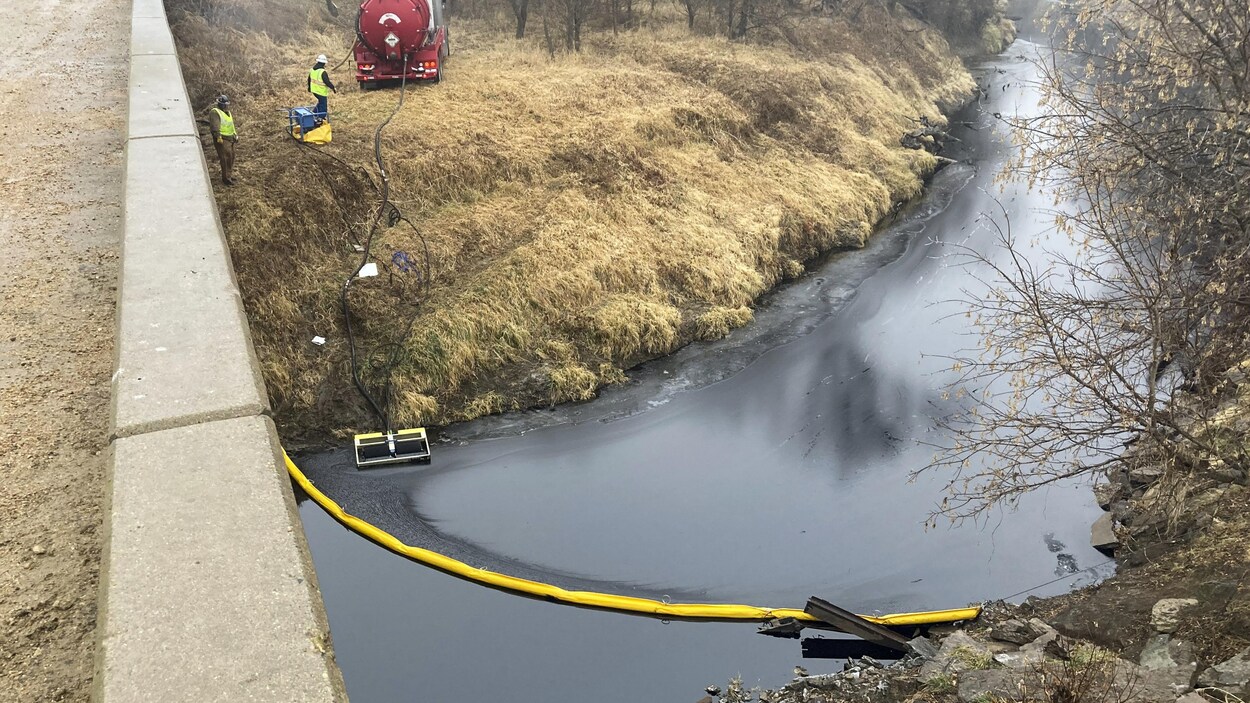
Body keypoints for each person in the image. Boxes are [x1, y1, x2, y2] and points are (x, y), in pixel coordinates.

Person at [207, 95, 237, 185]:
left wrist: (235, 134)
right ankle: (226, 179)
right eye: (224, 104)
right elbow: (215, 126)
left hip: (230, 138)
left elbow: (231, 125)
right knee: (225, 158)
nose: (225, 106)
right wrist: (218, 136)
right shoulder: (215, 112)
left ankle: (229, 175)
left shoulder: (227, 112)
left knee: (231, 157)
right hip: (222, 139)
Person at [308, 54, 337, 121]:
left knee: (320, 103)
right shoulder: (322, 72)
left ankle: (314, 114)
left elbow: (309, 79)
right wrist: (333, 88)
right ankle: (320, 119)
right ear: (324, 63)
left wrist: (309, 88)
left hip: (314, 91)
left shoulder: (312, 70)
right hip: (321, 92)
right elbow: (327, 82)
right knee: (323, 106)